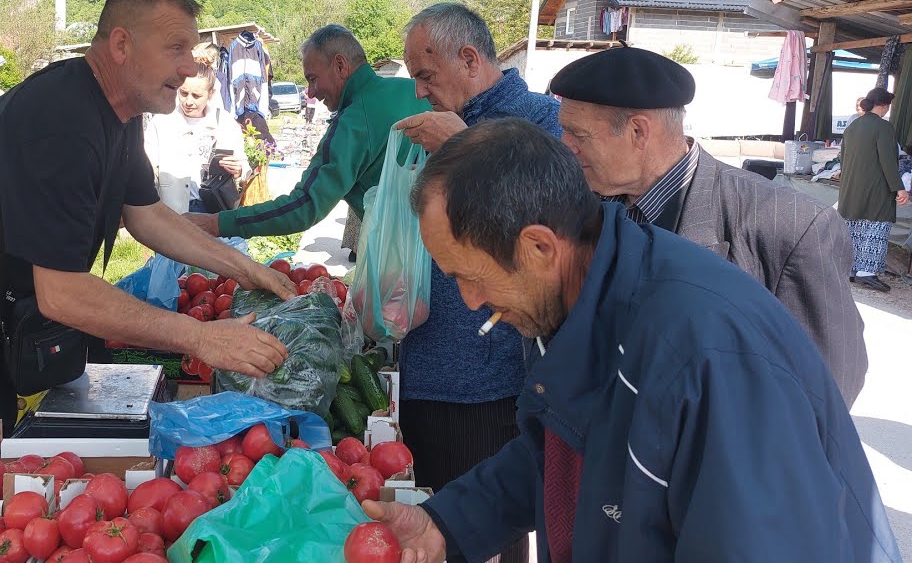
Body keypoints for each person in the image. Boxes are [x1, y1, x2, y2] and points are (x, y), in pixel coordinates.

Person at [362, 119, 901, 563]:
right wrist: (444, 524)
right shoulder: (590, 295)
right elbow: (559, 452)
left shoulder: (702, 352)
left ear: (539, 248)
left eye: (466, 275)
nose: (470, 300)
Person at [0, 0, 293, 466]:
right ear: (121, 44)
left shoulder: (117, 112)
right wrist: (201, 338)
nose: (189, 66)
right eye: (175, 48)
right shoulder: (60, 123)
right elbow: (62, 292)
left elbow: (147, 215)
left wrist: (246, 269)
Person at [551, 47, 868, 406]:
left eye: (577, 133)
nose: (566, 146)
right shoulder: (592, 207)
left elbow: (826, 391)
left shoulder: (792, 225)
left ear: (638, 131)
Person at [392, 2, 559, 563]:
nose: (418, 91)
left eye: (425, 75)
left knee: (488, 534)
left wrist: (463, 143)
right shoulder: (435, 126)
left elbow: (546, 223)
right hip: (424, 364)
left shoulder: (541, 120)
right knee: (428, 529)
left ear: (468, 58)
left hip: (492, 382)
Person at [184, 24, 429, 238]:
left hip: (402, 257)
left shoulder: (353, 122)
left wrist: (218, 222)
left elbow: (305, 206)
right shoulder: (414, 91)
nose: (310, 92)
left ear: (340, 66)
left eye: (312, 79)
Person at [143, 53, 246, 214]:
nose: (189, 101)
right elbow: (146, 168)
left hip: (215, 210)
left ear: (211, 94)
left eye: (197, 96)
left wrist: (238, 170)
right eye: (183, 93)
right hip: (173, 212)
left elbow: (243, 167)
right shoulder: (161, 122)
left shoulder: (225, 123)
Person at [839, 87, 907, 293]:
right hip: (876, 188)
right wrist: (899, 188)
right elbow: (888, 161)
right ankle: (866, 272)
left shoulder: (852, 127)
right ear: (884, 105)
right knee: (875, 228)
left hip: (851, 188)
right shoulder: (883, 127)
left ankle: (851, 269)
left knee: (854, 228)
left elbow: (843, 159)